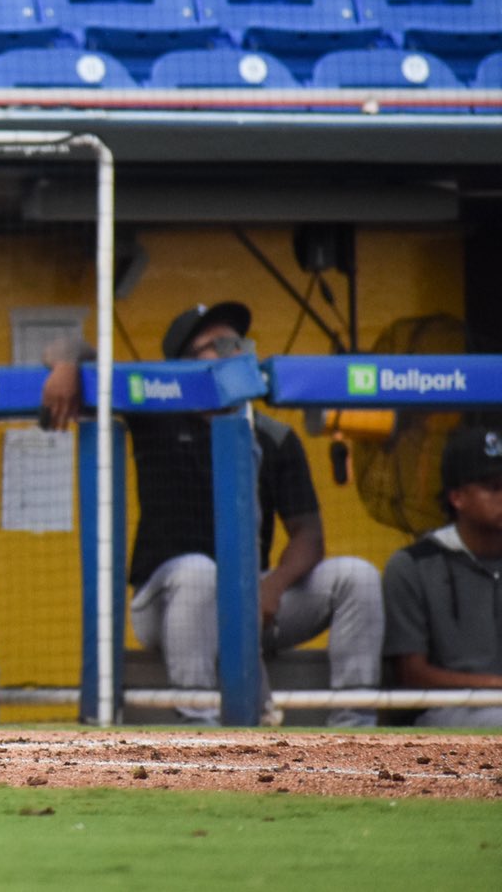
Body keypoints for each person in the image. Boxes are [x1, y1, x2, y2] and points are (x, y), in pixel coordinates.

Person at [44, 301, 384, 725]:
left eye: (238, 341)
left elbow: (308, 535)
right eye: (217, 343)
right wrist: (66, 365)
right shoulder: (157, 414)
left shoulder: (274, 435)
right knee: (200, 573)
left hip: (250, 595)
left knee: (358, 577)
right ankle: (201, 727)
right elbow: (65, 343)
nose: (234, 350)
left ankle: (354, 730)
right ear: (185, 364)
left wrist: (273, 587)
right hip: (165, 599)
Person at [382, 425, 502, 727]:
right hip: (447, 711)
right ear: (457, 497)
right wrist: (494, 686)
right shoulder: (412, 565)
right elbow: (411, 674)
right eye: (493, 486)